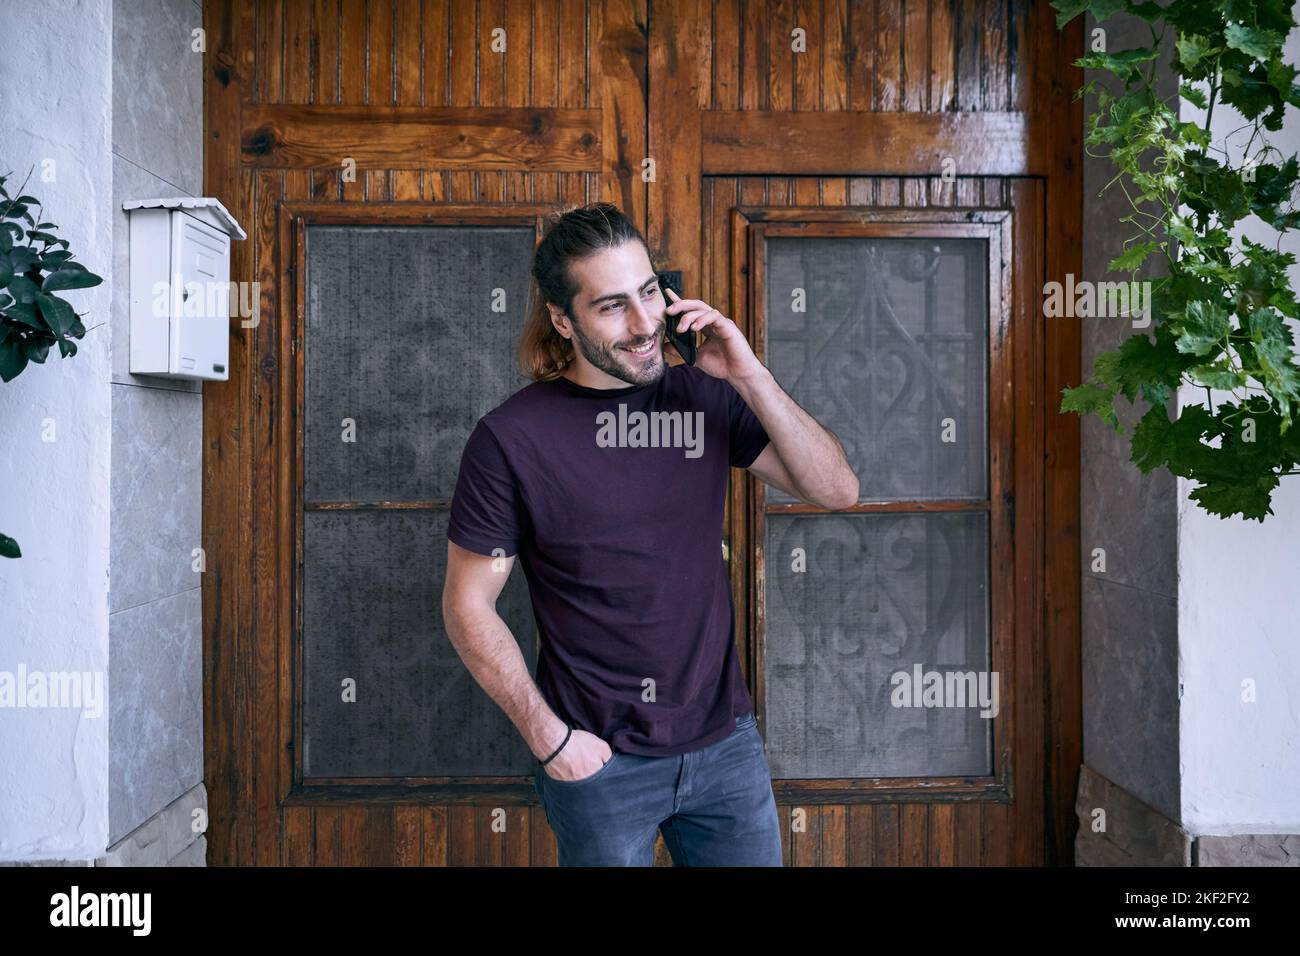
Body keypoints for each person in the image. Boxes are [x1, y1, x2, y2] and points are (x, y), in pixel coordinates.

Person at [441, 202, 858, 866]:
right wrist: (550, 740)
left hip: (726, 748)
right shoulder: (512, 440)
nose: (643, 325)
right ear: (562, 319)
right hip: (601, 763)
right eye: (611, 306)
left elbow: (837, 488)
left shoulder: (702, 395)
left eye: (647, 294)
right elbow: (467, 606)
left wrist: (747, 374)